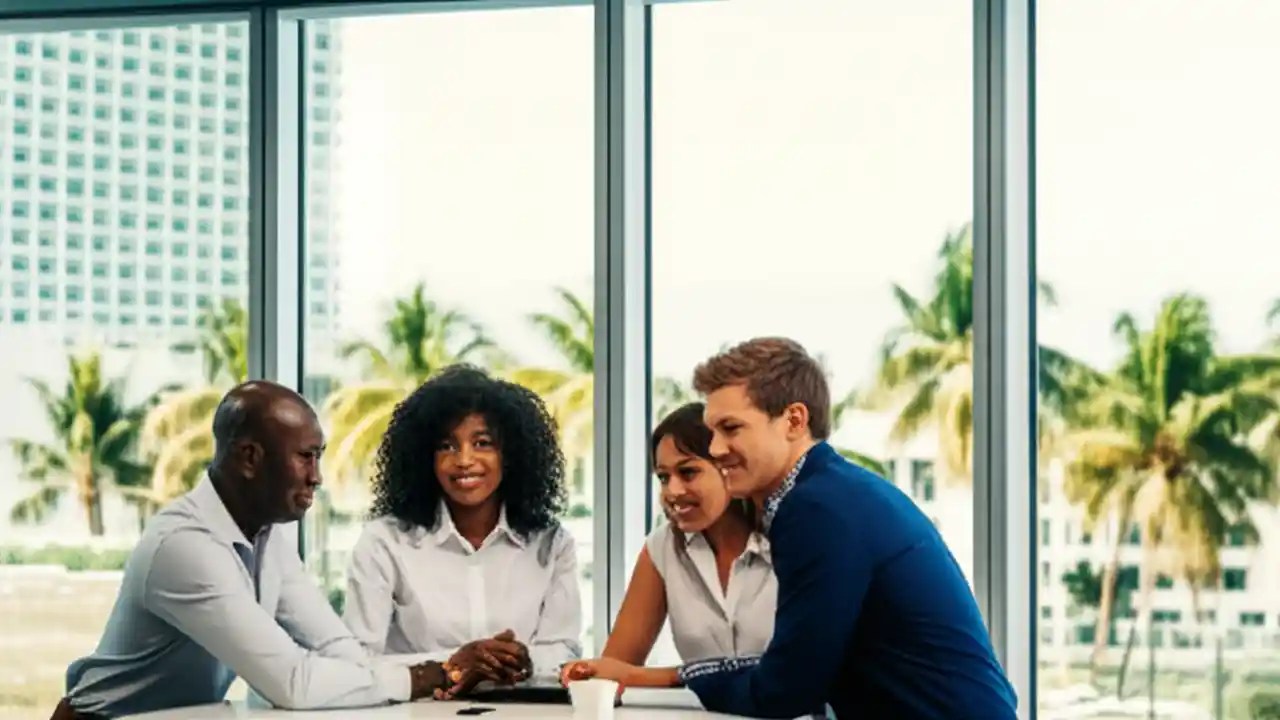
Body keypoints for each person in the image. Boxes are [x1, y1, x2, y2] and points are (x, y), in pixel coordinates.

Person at [55, 381, 452, 720]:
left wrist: (442, 669)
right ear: (250, 458)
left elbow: (335, 647)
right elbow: (294, 682)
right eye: (305, 457)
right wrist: (422, 677)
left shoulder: (266, 536)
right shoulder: (184, 546)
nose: (317, 477)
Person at [675, 338, 1019, 720]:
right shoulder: (838, 490)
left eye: (731, 428)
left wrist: (694, 681)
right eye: (712, 432)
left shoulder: (816, 509)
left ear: (793, 421)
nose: (716, 448)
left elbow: (786, 689)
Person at [342, 365, 581, 696]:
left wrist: (524, 662)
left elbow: (565, 653)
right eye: (446, 446)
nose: (464, 460)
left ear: (510, 455)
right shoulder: (385, 542)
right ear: (424, 458)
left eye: (482, 443)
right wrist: (453, 664)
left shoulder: (551, 543)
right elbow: (357, 661)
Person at [560, 402, 776, 688]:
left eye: (688, 473)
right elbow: (614, 670)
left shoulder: (788, 540)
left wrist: (645, 677)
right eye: (663, 477)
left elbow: (787, 669)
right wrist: (586, 674)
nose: (672, 492)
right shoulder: (663, 547)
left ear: (728, 468)